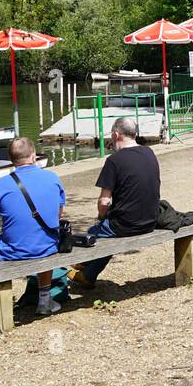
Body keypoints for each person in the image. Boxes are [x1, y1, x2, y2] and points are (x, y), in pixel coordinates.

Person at [0, 137, 66, 315]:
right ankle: (44, 300)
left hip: (14, 249)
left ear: (12, 160)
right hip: (49, 245)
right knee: (43, 239)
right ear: (33, 156)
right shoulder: (52, 178)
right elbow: (58, 215)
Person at [72, 116, 160, 290]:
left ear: (115, 134)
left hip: (127, 224)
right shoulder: (149, 152)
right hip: (151, 219)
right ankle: (85, 268)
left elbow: (104, 201)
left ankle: (87, 274)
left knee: (93, 232)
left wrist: (101, 216)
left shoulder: (114, 161)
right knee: (107, 232)